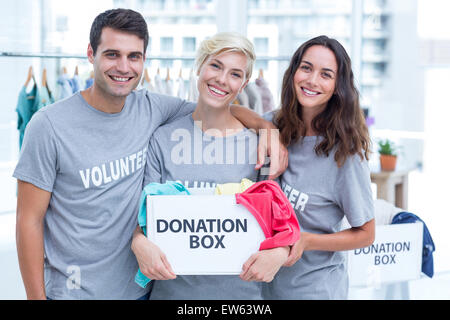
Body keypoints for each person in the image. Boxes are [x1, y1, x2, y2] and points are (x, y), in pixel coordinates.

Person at [13, 9, 287, 300]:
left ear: (144, 60)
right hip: (74, 293)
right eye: (112, 54)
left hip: (139, 290)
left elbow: (215, 103)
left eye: (134, 56)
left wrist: (266, 126)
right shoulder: (48, 125)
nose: (123, 66)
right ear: (91, 54)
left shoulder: (152, 108)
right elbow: (28, 221)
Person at [131, 32, 290, 300]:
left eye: (235, 74)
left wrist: (280, 253)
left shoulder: (259, 148)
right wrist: (138, 243)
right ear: (200, 66)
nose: (222, 79)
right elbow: (146, 219)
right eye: (215, 65)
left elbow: (279, 225)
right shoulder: (162, 139)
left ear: (244, 84)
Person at [261, 35, 375, 299]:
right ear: (293, 73)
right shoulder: (277, 123)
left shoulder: (345, 154)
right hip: (267, 289)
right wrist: (269, 130)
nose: (312, 81)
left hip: (315, 288)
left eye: (326, 74)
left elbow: (366, 234)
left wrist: (308, 240)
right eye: (306, 68)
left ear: (337, 86)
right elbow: (236, 113)